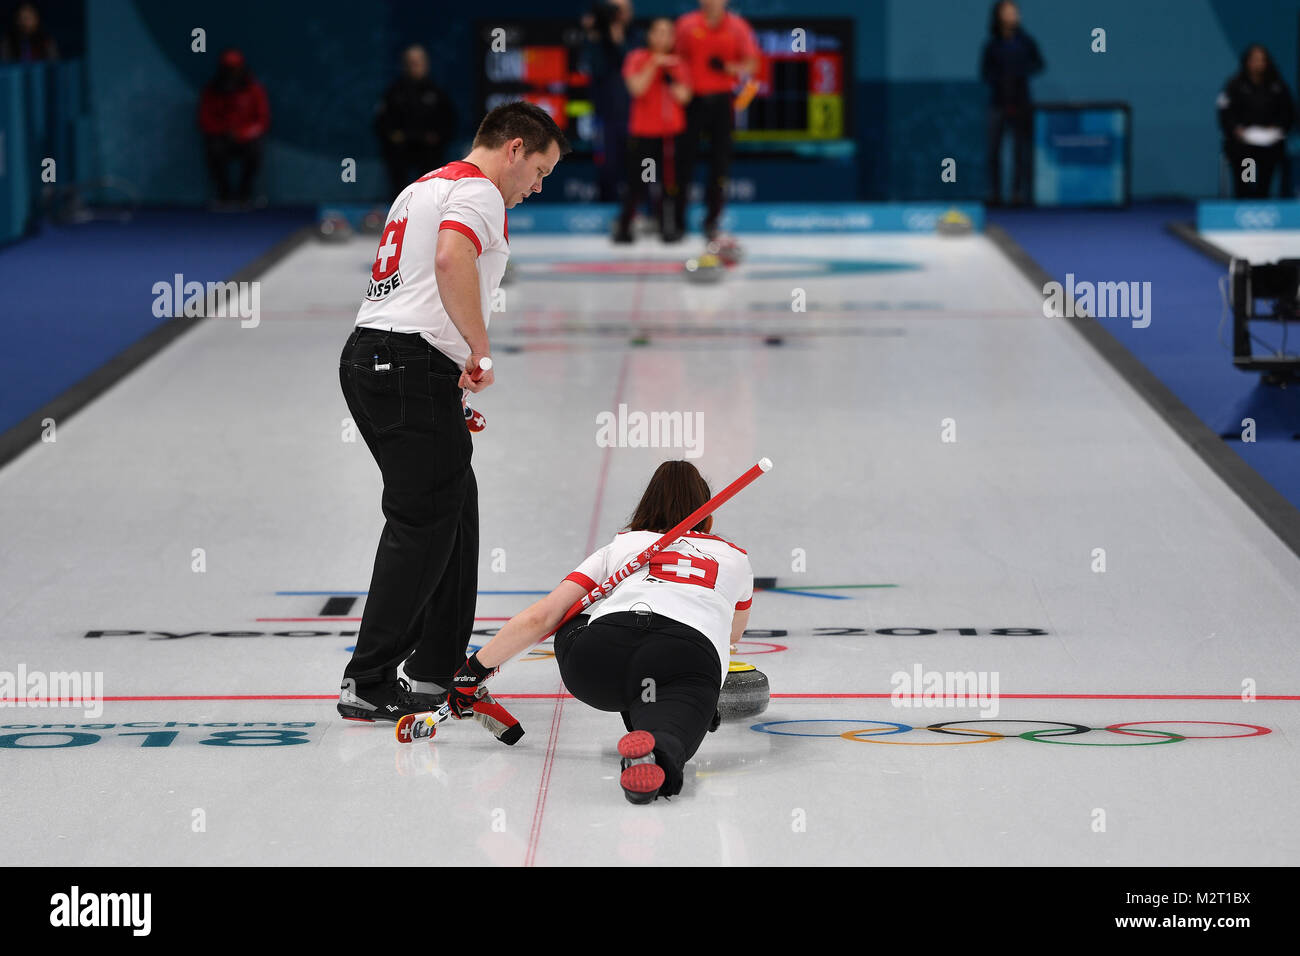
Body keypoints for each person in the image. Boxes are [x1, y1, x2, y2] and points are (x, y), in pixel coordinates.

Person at [337, 101, 570, 723]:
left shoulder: (422, 187)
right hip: (403, 365)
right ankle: (369, 679)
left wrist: (446, 382)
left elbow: (413, 283)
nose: (537, 188)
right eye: (541, 171)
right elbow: (449, 260)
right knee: (422, 518)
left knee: (452, 507)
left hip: (388, 363)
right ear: (514, 149)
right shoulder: (479, 192)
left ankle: (436, 668)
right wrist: (479, 349)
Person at [445, 460, 754, 804]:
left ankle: (647, 712)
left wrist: (470, 674)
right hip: (682, 656)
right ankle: (657, 747)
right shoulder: (735, 558)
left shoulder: (622, 544)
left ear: (646, 506)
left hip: (599, 658)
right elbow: (732, 636)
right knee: (672, 731)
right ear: (707, 516)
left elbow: (543, 617)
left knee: (571, 617)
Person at [614, 17, 692, 243]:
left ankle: (671, 226)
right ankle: (625, 226)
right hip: (644, 132)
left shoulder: (679, 63)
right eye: (658, 32)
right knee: (637, 182)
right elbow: (637, 88)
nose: (663, 37)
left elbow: (685, 96)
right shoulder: (637, 58)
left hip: (670, 134)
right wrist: (654, 65)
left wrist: (670, 77)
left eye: (668, 33)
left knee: (671, 182)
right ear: (649, 35)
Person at [374, 45, 458, 202]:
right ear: (404, 65)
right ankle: (398, 212)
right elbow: (382, 123)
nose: (415, 67)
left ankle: (430, 209)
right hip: (401, 151)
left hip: (429, 152)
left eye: (418, 62)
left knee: (430, 183)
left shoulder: (437, 93)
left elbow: (448, 122)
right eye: (411, 62)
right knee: (398, 174)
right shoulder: (394, 93)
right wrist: (395, 136)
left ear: (426, 64)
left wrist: (436, 137)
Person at [980, 0, 1044, 207]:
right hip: (998, 103)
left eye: (1015, 12)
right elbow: (985, 72)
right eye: (1008, 12)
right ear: (999, 16)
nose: (1012, 15)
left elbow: (1038, 64)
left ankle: (1018, 194)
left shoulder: (1026, 42)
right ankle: (995, 194)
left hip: (1021, 102)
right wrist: (999, 79)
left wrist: (1020, 73)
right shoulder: (992, 45)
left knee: (1020, 151)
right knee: (993, 151)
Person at [1218, 45, 1295, 199]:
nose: (1258, 63)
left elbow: (1289, 111)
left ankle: (1262, 199)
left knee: (1264, 180)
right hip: (1245, 146)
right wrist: (1236, 130)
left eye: (1262, 60)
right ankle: (1247, 201)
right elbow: (1225, 112)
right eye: (1255, 60)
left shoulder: (1277, 86)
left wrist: (1278, 127)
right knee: (1248, 176)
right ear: (1247, 62)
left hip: (1270, 145)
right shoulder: (1235, 85)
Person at [198, 49, 270, 207]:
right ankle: (224, 194)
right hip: (221, 138)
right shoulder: (212, 91)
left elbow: (262, 121)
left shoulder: (254, 90)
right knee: (213, 149)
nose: (231, 73)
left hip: (246, 139)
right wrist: (223, 131)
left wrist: (242, 133)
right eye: (227, 69)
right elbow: (205, 120)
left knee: (255, 150)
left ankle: (245, 194)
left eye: (234, 69)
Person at [581, 0, 634, 204]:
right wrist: (593, 36)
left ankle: (636, 213)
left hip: (634, 116)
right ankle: (605, 208)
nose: (617, 14)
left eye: (621, 10)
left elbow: (631, 66)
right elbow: (595, 68)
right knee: (607, 166)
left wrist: (619, 41)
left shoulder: (637, 36)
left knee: (639, 168)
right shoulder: (595, 38)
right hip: (604, 115)